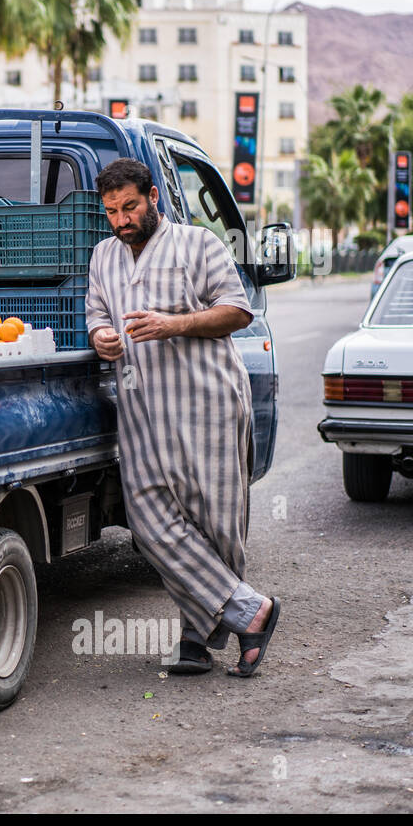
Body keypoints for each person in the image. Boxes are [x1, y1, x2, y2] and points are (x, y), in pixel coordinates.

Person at [84, 158, 281, 677]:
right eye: (111, 212)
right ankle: (251, 611)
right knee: (150, 526)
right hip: (140, 408)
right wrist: (101, 337)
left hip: (207, 403)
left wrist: (174, 324)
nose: (121, 220)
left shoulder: (199, 244)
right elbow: (97, 316)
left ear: (153, 196)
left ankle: (196, 639)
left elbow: (238, 311)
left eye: (129, 207)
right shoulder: (103, 256)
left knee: (215, 525)